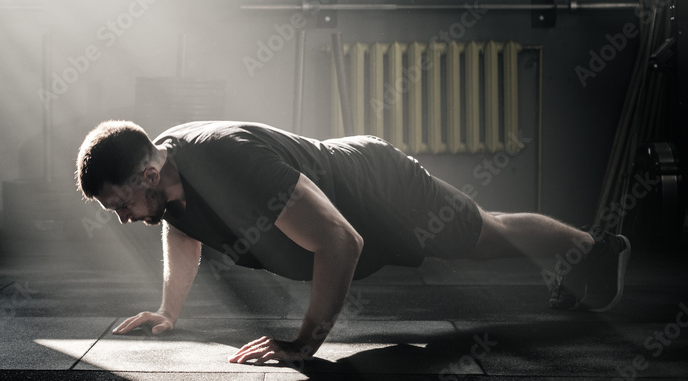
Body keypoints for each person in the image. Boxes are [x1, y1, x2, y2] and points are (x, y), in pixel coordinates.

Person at [74, 120, 631, 365]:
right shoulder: (166, 181)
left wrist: (304, 342)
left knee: (487, 236)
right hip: (356, 202)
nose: (123, 219)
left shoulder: (227, 159)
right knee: (485, 237)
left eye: (120, 204)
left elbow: (340, 241)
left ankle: (597, 248)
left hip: (381, 186)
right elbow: (183, 228)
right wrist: (169, 310)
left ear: (146, 175)